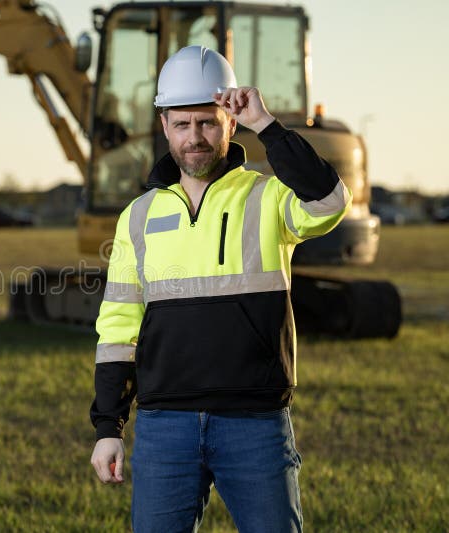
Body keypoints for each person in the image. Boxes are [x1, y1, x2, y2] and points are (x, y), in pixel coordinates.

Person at [89, 45, 352, 532]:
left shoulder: (269, 197)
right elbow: (118, 327)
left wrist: (268, 125)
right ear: (164, 125)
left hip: (253, 423)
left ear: (231, 123)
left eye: (208, 122)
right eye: (183, 124)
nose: (196, 138)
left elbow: (330, 202)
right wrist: (109, 427)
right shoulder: (138, 217)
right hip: (164, 425)